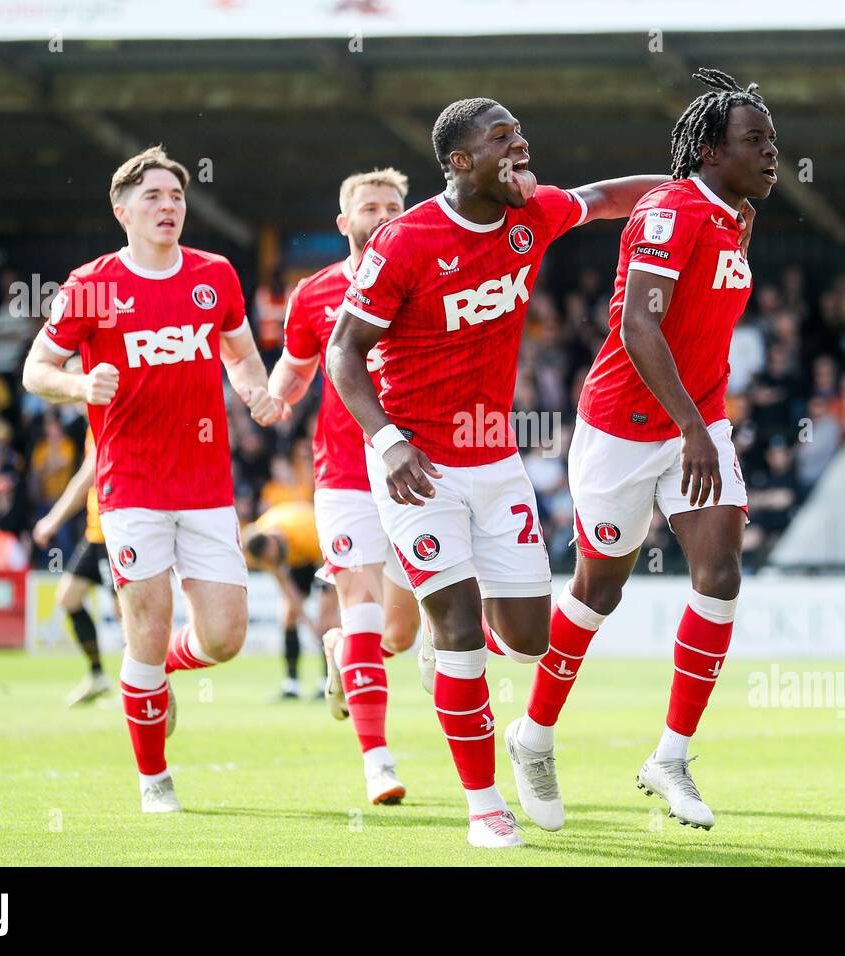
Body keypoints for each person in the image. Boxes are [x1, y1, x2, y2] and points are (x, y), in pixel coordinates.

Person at [328, 96, 697, 848]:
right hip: (417, 465)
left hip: (496, 460)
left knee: (527, 641)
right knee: (462, 629)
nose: (520, 147)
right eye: (502, 140)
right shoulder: (406, 242)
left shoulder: (532, 214)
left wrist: (692, 193)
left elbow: (602, 200)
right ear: (461, 162)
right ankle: (484, 806)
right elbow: (343, 352)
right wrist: (388, 440)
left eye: (521, 134)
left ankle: (447, 654)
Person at [506, 69, 770, 832]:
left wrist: (700, 426)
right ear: (716, 148)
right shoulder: (670, 214)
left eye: (773, 140)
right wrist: (691, 427)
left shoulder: (735, 214)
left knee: (720, 574)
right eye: (756, 140)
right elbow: (639, 329)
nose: (773, 153)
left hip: (700, 422)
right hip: (625, 426)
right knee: (599, 592)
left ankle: (671, 756)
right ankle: (534, 735)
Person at [22, 145, 282, 813]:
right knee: (146, 622)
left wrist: (255, 392)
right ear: (122, 212)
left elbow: (241, 354)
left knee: (224, 638)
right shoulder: (90, 285)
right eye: (154, 198)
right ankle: (155, 780)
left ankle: (154, 674)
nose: (169, 207)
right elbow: (35, 371)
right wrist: (82, 382)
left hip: (205, 485)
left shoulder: (216, 275)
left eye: (176, 196)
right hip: (130, 484)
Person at [267, 168, 423, 805]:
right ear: (344, 221)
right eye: (369, 206)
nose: (382, 214)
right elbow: (297, 368)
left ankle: (339, 651)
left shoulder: (427, 279)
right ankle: (377, 762)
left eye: (392, 206)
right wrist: (272, 397)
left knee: (403, 633)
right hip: (345, 473)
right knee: (359, 600)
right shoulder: (314, 294)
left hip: (417, 467)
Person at [33, 422, 118, 707]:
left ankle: (146, 687)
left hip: (116, 532)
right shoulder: (90, 424)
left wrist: (52, 520)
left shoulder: (106, 418)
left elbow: (86, 477)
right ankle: (97, 675)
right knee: (68, 598)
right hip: (94, 534)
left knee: (128, 617)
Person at [242, 500, 335, 701]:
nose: (270, 562)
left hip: (323, 552)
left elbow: (330, 569)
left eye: (270, 557)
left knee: (327, 619)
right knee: (288, 616)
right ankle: (291, 685)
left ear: (273, 543)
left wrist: (317, 623)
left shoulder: (307, 532)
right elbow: (286, 587)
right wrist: (306, 621)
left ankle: (327, 683)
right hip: (297, 558)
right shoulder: (260, 543)